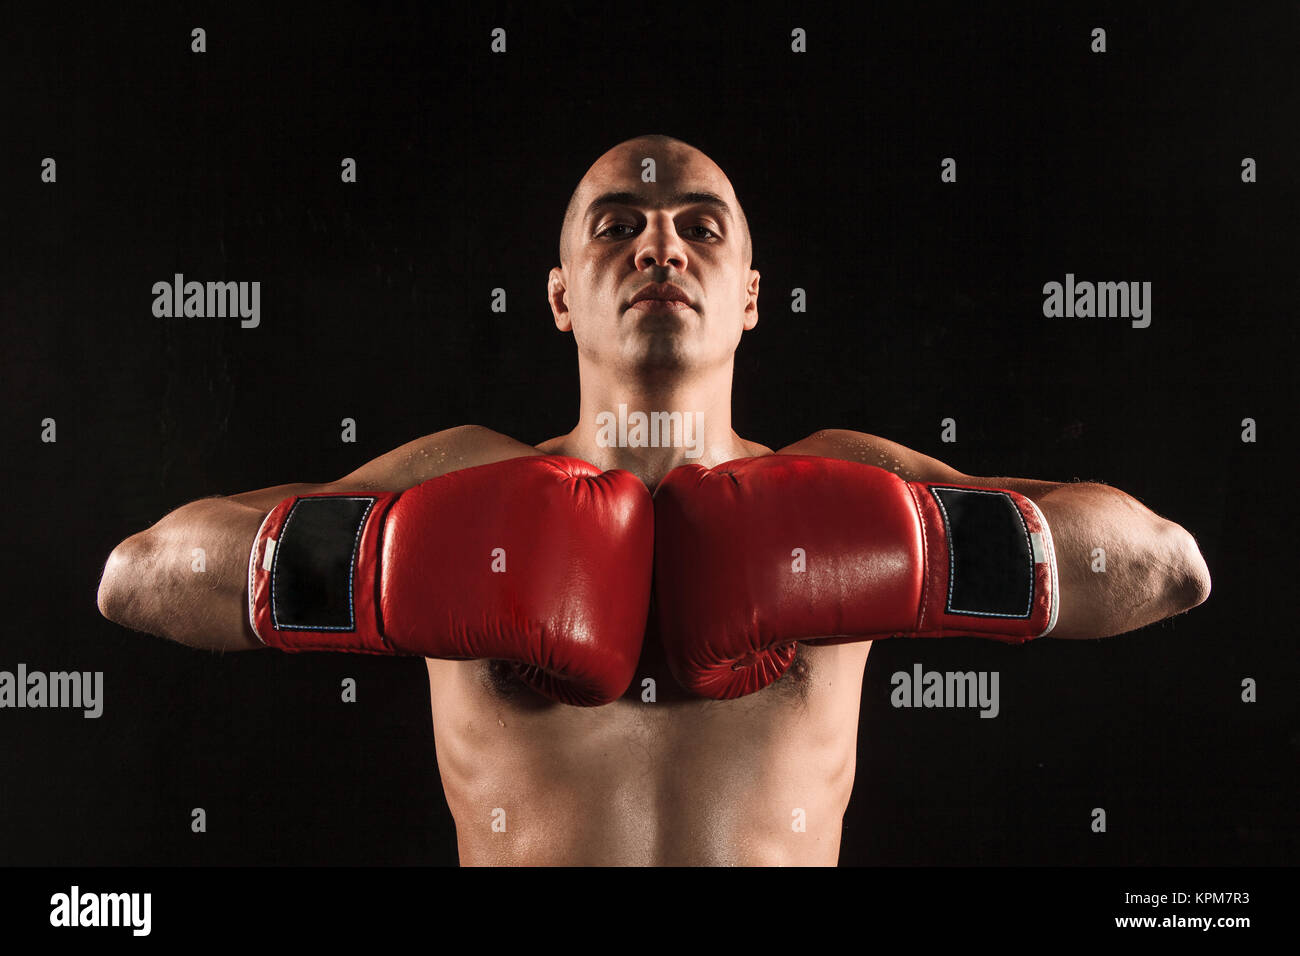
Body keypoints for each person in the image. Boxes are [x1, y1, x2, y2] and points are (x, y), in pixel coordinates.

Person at [97, 134, 1211, 865]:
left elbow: (1163, 566)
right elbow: (141, 576)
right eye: (616, 226)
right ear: (558, 296)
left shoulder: (850, 478)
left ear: (753, 294)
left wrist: (905, 544)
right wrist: (389, 564)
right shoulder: (458, 479)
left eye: (699, 224)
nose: (659, 244)